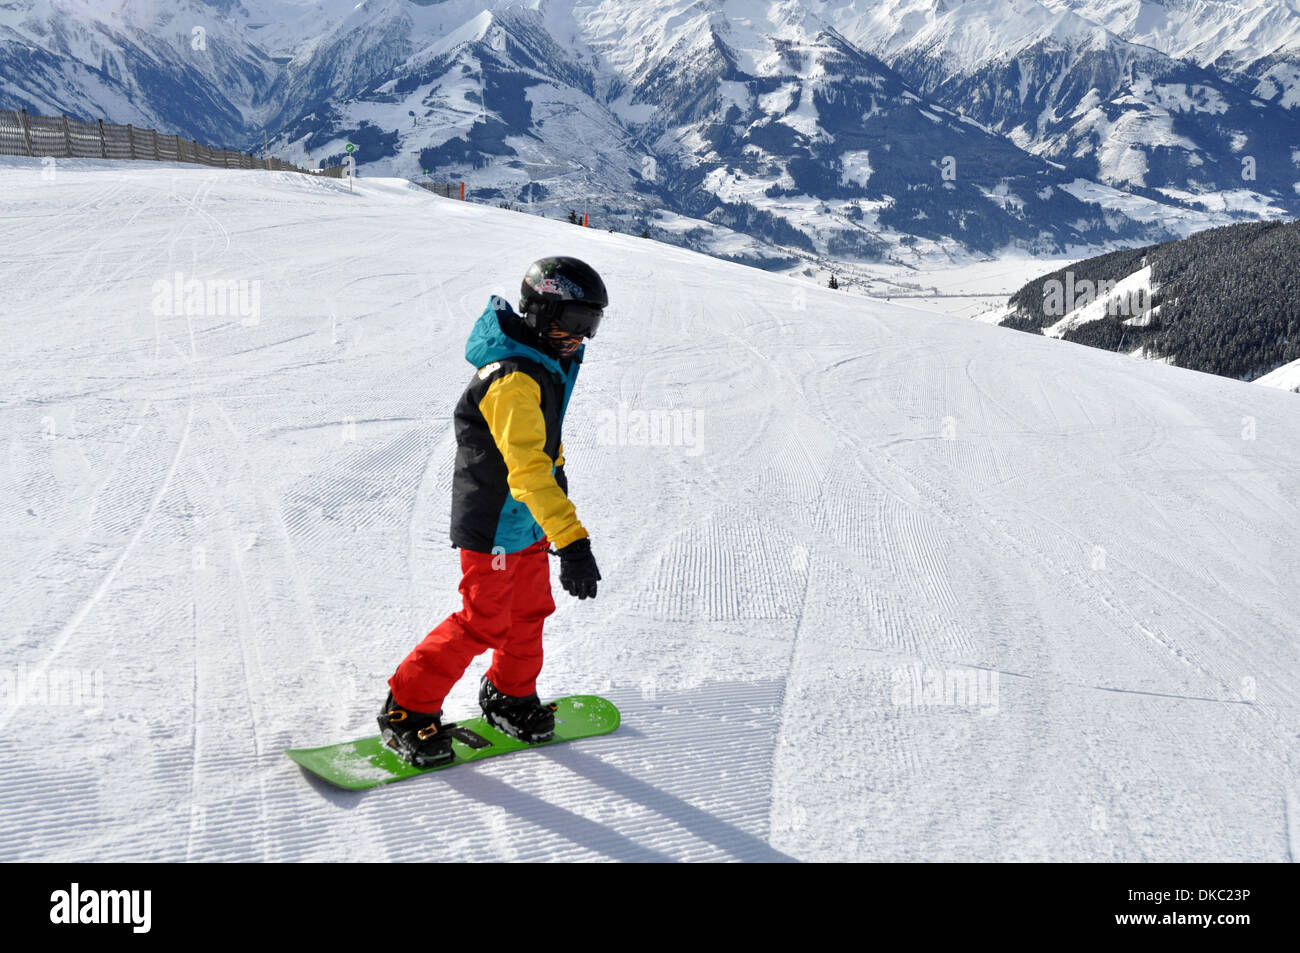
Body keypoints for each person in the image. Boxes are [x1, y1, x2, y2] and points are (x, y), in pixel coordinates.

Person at [377, 256, 607, 767]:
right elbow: (527, 471)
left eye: (591, 325)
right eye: (574, 322)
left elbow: (545, 453)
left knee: (529, 612)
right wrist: (572, 540)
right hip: (497, 522)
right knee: (483, 621)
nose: (581, 337)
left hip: (526, 521)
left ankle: (510, 693)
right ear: (541, 312)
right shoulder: (513, 380)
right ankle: (407, 710)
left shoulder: (544, 362)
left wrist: (552, 518)